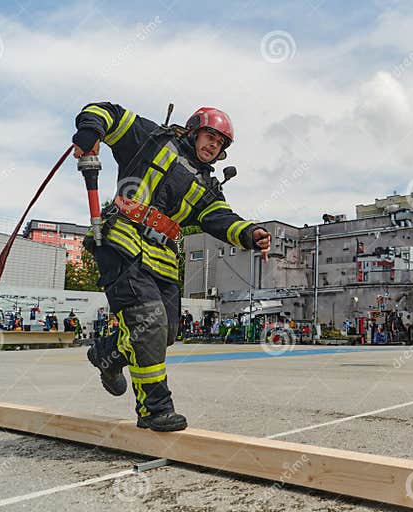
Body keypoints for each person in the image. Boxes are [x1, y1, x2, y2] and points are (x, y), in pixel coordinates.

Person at [75, 102, 271, 432]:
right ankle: (155, 409)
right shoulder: (152, 139)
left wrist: (252, 234)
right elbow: (106, 111)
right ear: (193, 131)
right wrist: (91, 130)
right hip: (125, 244)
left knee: (165, 334)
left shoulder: (207, 187)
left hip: (163, 259)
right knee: (148, 328)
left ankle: (107, 353)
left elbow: (223, 220)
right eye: (210, 136)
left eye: (221, 143)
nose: (214, 146)